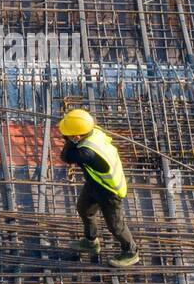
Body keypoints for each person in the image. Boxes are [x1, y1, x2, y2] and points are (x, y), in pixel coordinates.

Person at [58, 109, 140, 268]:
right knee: (84, 209)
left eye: (67, 134)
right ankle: (91, 241)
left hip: (110, 191)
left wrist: (69, 140)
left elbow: (65, 156)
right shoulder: (94, 130)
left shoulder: (86, 153)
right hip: (94, 183)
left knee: (116, 226)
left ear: (77, 137)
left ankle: (131, 252)